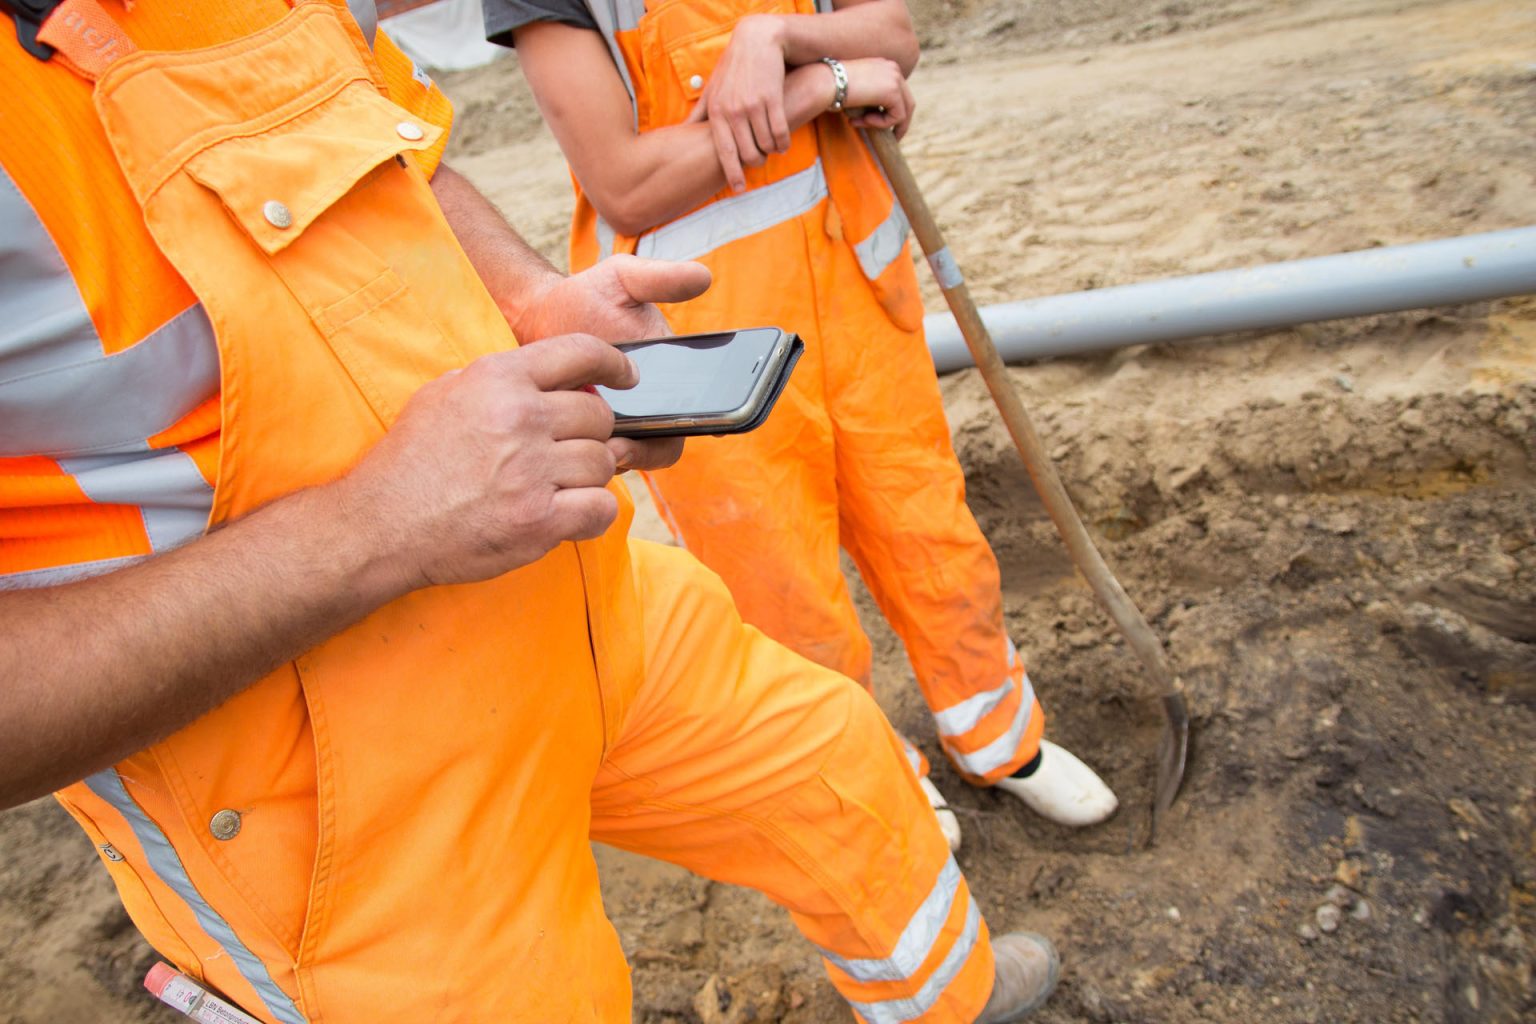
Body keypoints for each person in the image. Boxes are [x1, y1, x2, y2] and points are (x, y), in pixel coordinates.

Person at [0, 0, 1060, 1020]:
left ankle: (950, 999)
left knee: (834, 765)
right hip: (321, 790)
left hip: (573, 592)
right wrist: (377, 524)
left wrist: (531, 298)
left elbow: (399, 159)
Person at [484, 0, 1119, 847]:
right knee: (782, 590)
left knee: (931, 532)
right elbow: (626, 183)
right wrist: (821, 87)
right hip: (712, 340)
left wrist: (780, 37)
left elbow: (892, 39)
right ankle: (871, 776)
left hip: (858, 289)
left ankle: (1003, 740)